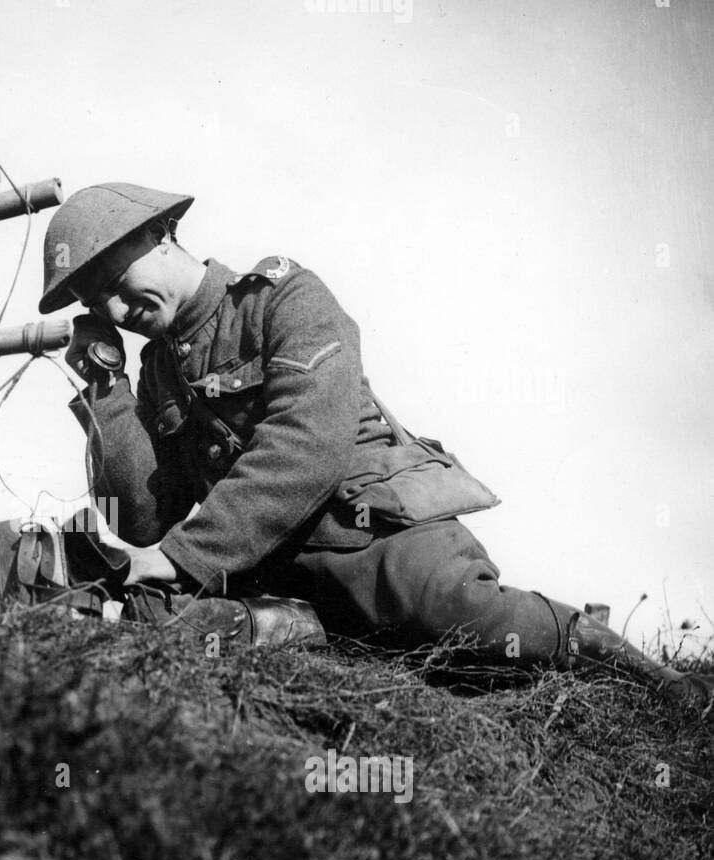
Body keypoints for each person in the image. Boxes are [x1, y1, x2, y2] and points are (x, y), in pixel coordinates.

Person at [39, 181, 712, 708]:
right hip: (275, 571)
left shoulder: (283, 299)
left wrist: (184, 557)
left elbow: (306, 446)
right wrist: (106, 388)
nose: (117, 315)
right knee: (157, 615)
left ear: (160, 234)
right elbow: (142, 518)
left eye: (115, 286)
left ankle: (651, 679)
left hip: (375, 541)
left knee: (462, 619)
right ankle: (307, 629)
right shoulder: (156, 371)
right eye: (98, 306)